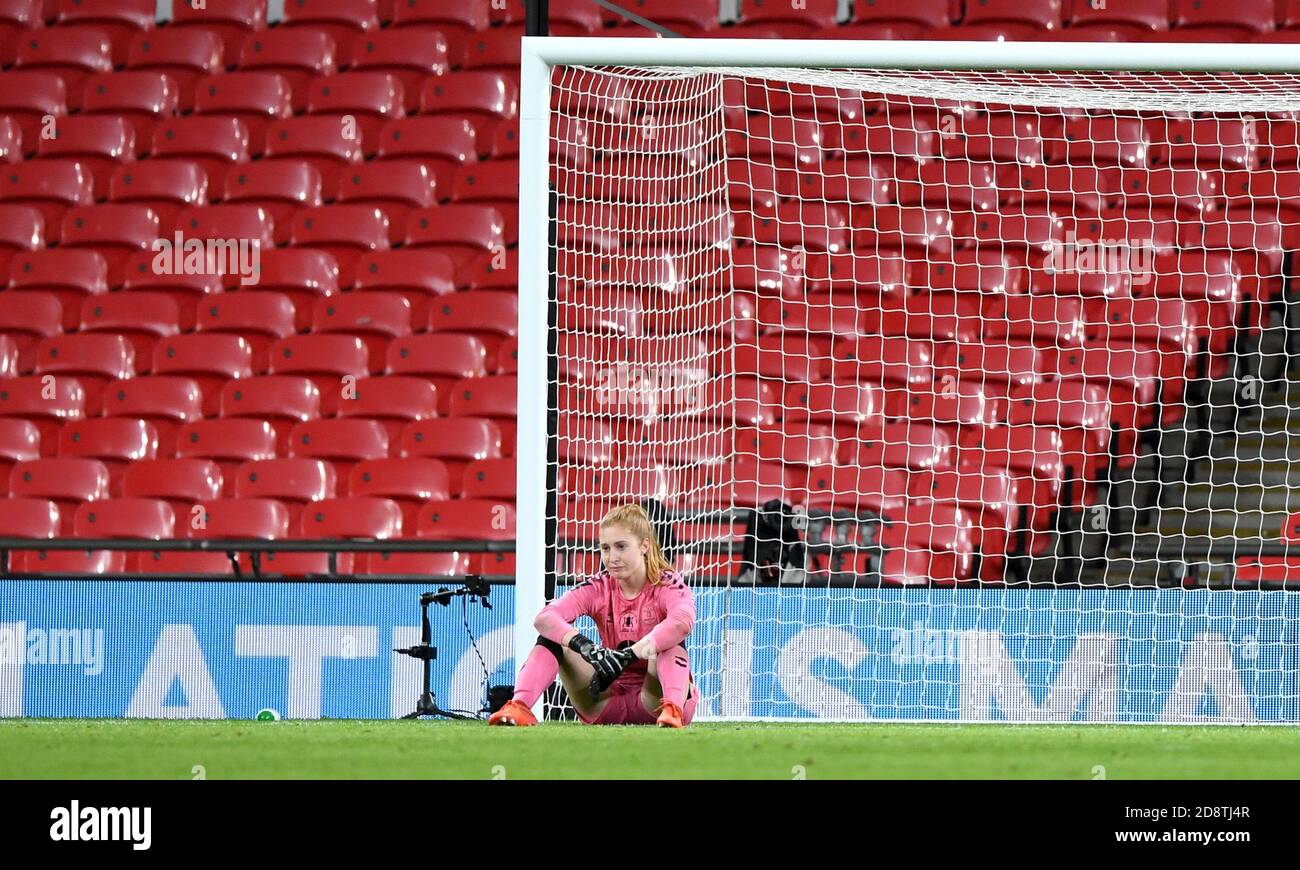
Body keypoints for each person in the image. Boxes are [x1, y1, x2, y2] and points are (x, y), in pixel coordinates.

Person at [489, 503, 697, 728]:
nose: (612, 557)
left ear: (644, 545)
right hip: (606, 701)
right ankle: (518, 706)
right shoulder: (599, 585)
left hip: (654, 703)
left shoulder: (668, 583)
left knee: (670, 642)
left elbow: (681, 624)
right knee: (553, 636)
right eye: (606, 548)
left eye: (621, 546)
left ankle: (673, 709)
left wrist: (629, 655)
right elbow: (545, 618)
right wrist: (586, 648)